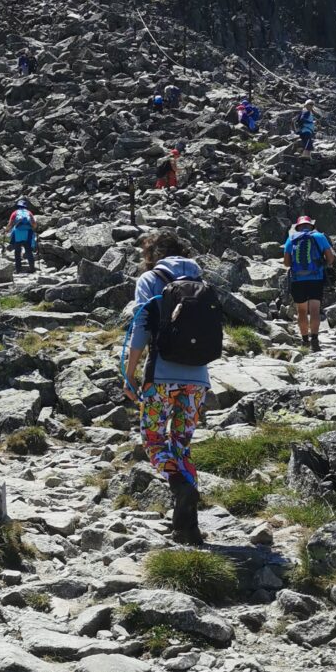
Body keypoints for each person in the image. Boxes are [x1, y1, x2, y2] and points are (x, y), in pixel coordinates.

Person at [123, 230, 222, 544]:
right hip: (197, 379)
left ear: (152, 253)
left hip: (161, 376)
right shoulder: (201, 282)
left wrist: (129, 372)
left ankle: (180, 485)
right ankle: (187, 527)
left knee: (153, 440)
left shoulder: (151, 280)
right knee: (181, 443)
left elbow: (140, 329)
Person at [283, 214, 336, 350]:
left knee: (301, 311)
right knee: (314, 310)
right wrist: (323, 265)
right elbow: (330, 258)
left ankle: (304, 341)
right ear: (311, 226)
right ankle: (315, 340)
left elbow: (286, 263)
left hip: (297, 280)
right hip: (316, 278)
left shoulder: (291, 239)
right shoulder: (319, 236)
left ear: (298, 227)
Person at [6, 197, 38, 273]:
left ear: (18, 206)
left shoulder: (15, 213)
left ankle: (18, 269)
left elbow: (10, 224)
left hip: (18, 234)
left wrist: (6, 230)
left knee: (17, 252)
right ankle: (32, 268)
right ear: (25, 206)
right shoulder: (29, 213)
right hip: (27, 233)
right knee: (29, 251)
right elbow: (34, 224)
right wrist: (33, 229)